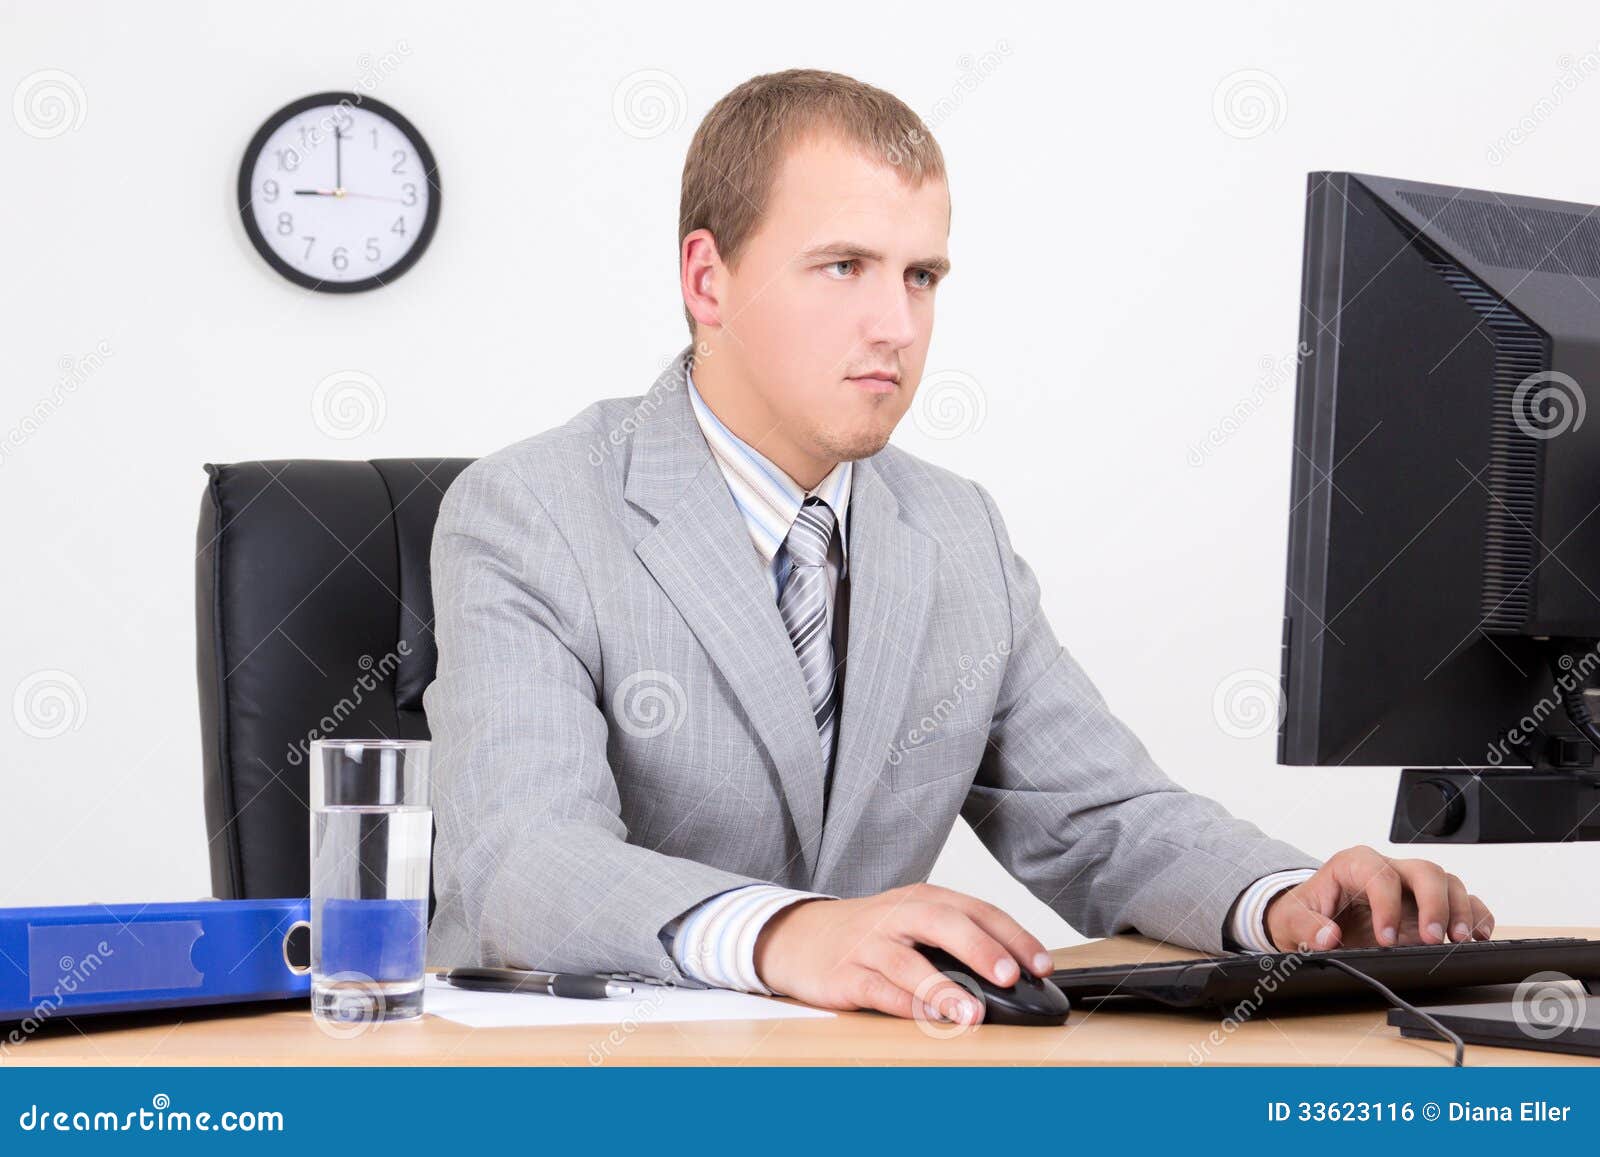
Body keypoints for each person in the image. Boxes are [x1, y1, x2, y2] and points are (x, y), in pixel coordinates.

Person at [423, 68, 1494, 1025]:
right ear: (708, 280)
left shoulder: (952, 530)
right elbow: (524, 861)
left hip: (867, 1082)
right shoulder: (531, 509)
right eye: (843, 266)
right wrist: (788, 932)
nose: (894, 323)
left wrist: (1288, 905)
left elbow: (1100, 815)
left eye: (921, 275)